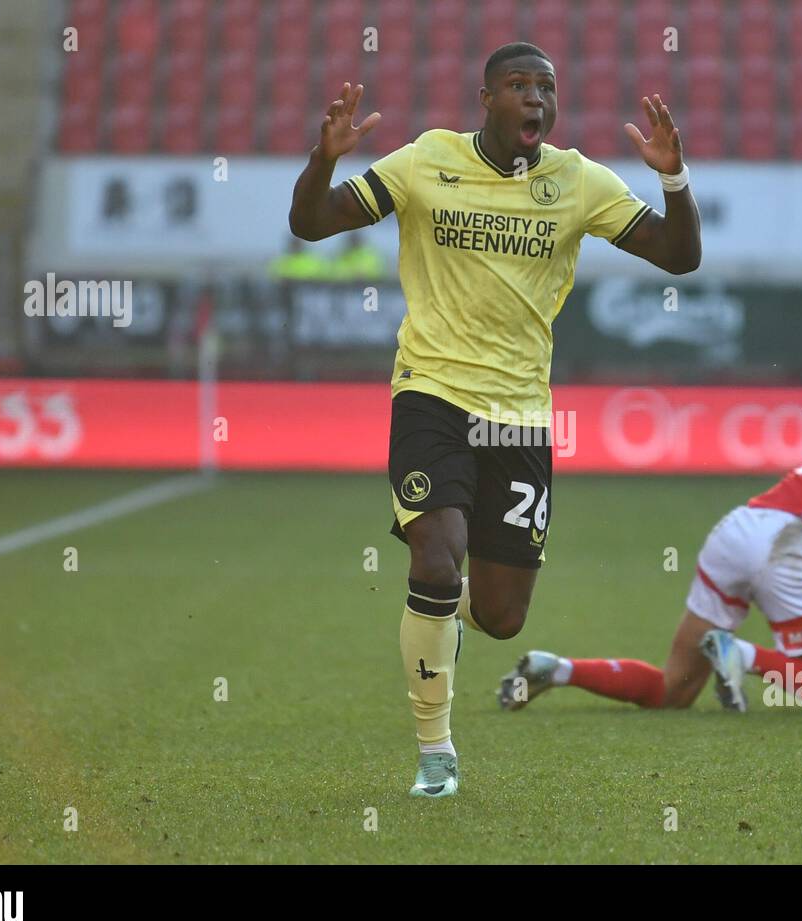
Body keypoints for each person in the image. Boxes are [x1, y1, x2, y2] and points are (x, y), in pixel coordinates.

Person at [288, 42, 702, 796]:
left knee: (502, 616)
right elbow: (313, 221)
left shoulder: (578, 181)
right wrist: (324, 159)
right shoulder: (426, 162)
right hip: (431, 392)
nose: (536, 98)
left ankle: (444, 629)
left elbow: (680, 256)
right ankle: (435, 751)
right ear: (487, 101)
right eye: (519, 86)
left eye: (546, 86)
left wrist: (673, 177)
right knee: (436, 559)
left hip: (518, 415)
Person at [499, 397, 802, 717]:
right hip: (787, 549)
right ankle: (741, 654)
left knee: (675, 691)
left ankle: (557, 668)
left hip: (737, 531)